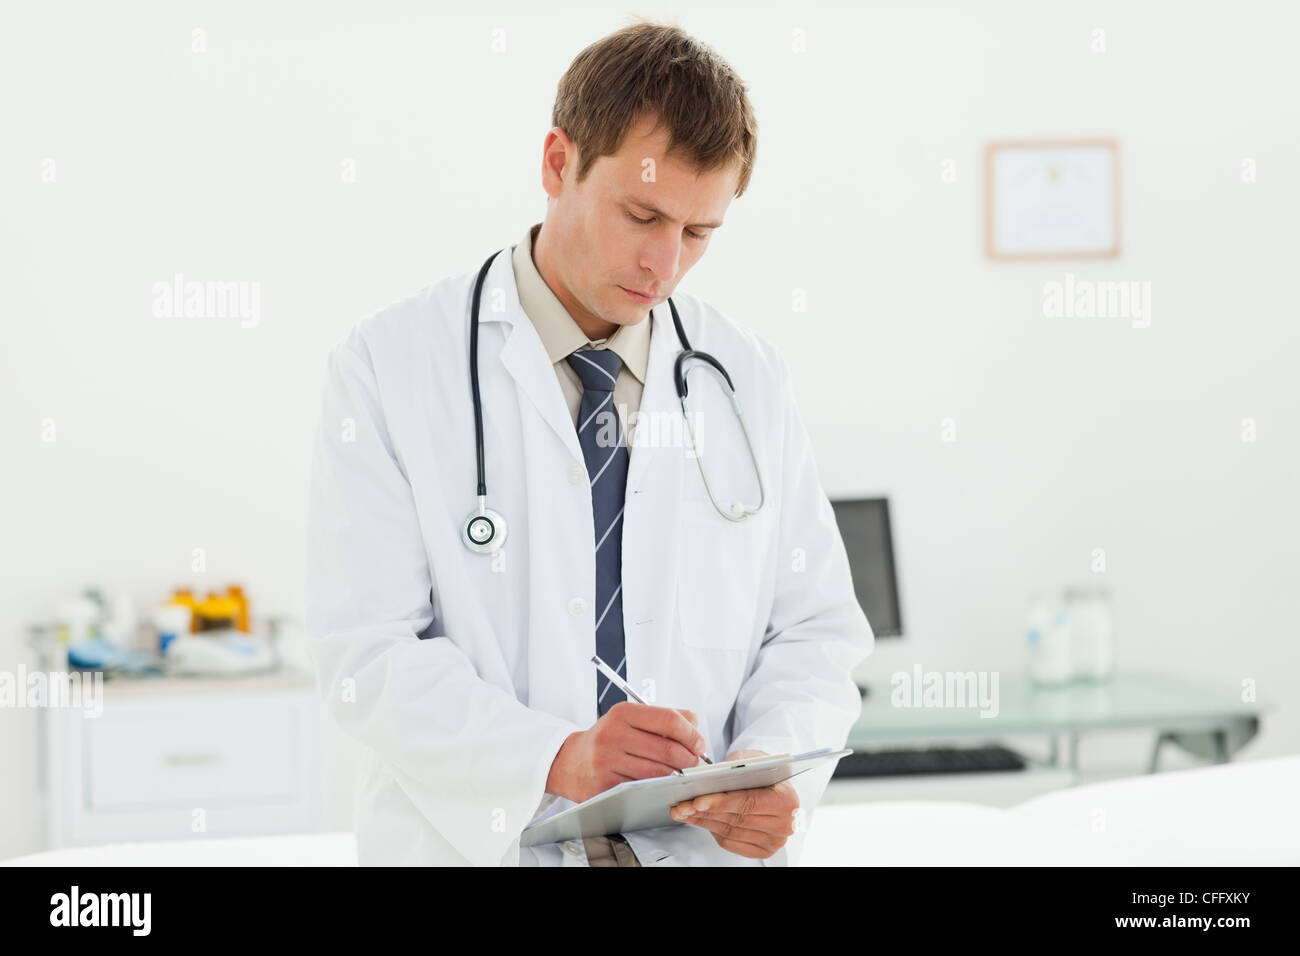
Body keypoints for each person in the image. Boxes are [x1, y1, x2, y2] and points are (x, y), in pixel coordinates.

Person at [305, 20, 873, 867]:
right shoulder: (390, 366)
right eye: (642, 214)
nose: (664, 263)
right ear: (557, 163)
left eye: (699, 233)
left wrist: (767, 764)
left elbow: (816, 631)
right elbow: (366, 652)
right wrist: (558, 757)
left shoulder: (747, 378)